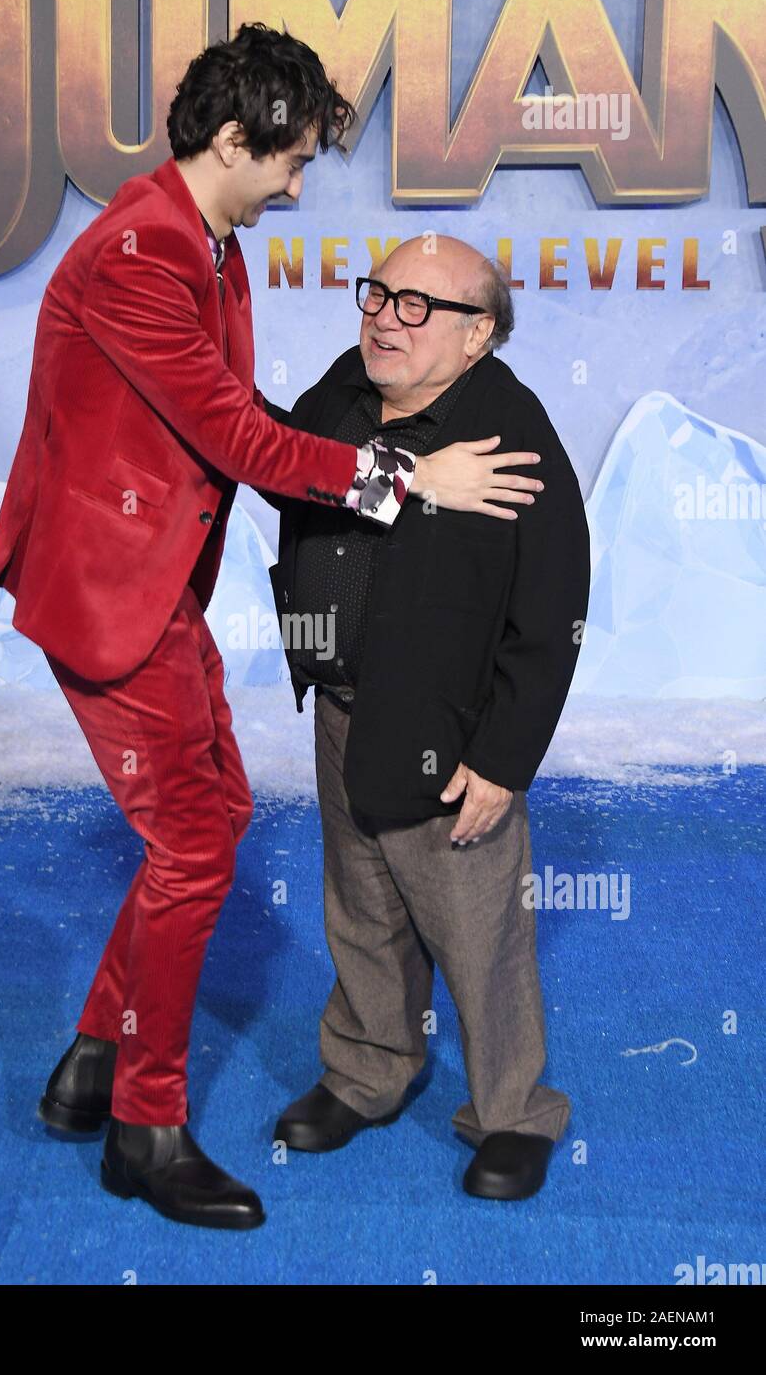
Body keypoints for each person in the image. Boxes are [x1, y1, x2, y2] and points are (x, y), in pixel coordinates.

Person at [0, 27, 544, 1231]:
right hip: (107, 590)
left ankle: (89, 1064)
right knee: (193, 843)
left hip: (159, 579)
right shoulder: (139, 255)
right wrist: (408, 479)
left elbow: (237, 423)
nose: (297, 185)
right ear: (234, 140)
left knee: (215, 817)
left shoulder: (203, 239)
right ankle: (146, 1122)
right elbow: (238, 437)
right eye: (288, 161)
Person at [266, 235, 590, 1201]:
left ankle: (511, 1115)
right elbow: (289, 462)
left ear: (478, 333)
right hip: (342, 712)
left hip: (451, 741)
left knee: (478, 935)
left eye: (417, 307)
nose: (383, 318)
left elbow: (552, 616)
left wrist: (503, 762)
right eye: (377, 295)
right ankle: (369, 1068)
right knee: (361, 913)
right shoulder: (345, 390)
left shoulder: (513, 434)